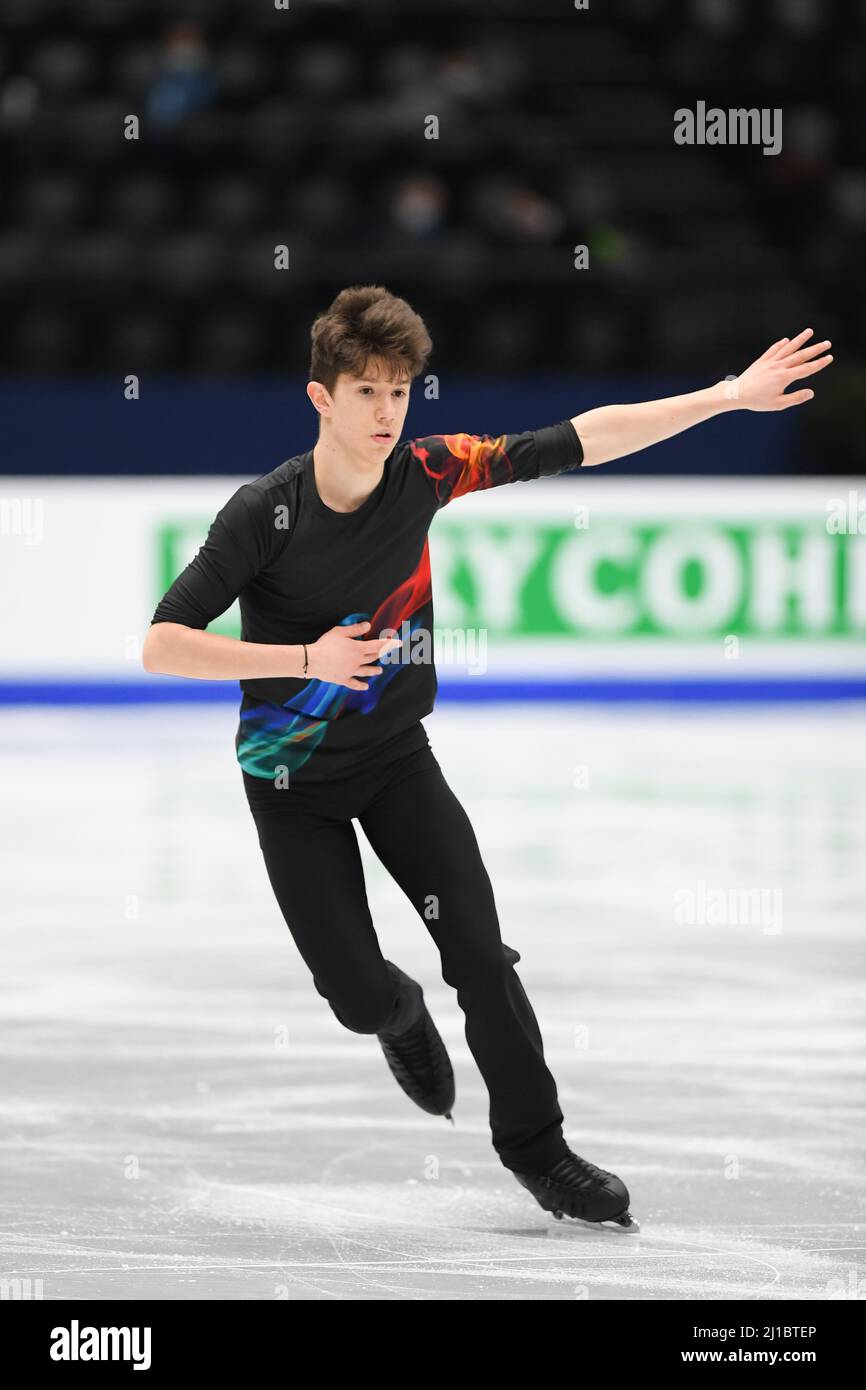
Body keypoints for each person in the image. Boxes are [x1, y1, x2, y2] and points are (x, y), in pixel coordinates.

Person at [143, 285, 831, 1230]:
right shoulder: (265, 513)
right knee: (350, 993)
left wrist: (722, 396)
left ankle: (540, 1151)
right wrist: (307, 659)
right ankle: (393, 1015)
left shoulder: (429, 470)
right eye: (369, 393)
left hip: (395, 762)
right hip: (290, 787)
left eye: (401, 392)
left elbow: (579, 438)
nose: (388, 414)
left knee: (481, 954)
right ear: (322, 400)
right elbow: (163, 643)